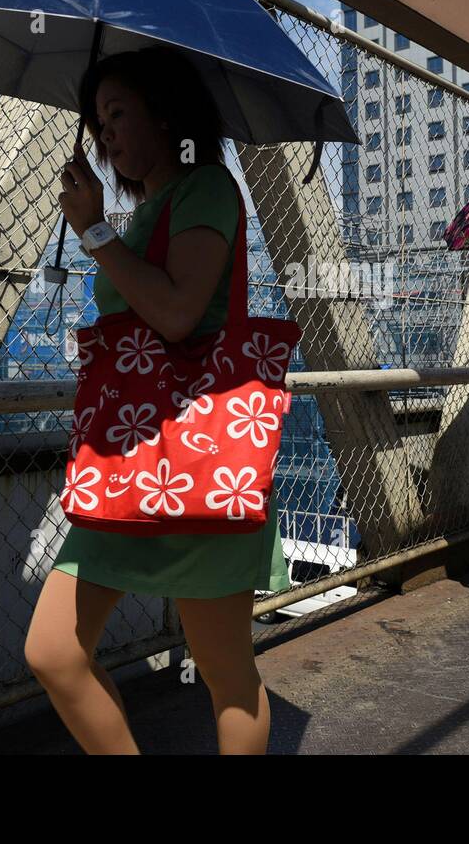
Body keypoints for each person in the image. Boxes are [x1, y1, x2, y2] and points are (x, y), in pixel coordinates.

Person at [24, 47, 290, 755]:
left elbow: (176, 314)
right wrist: (104, 229)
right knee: (54, 651)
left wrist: (92, 232)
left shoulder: (206, 189)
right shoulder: (144, 213)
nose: (104, 134)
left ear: (166, 114)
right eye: (97, 120)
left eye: (118, 114)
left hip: (201, 453)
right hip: (129, 457)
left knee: (226, 674)